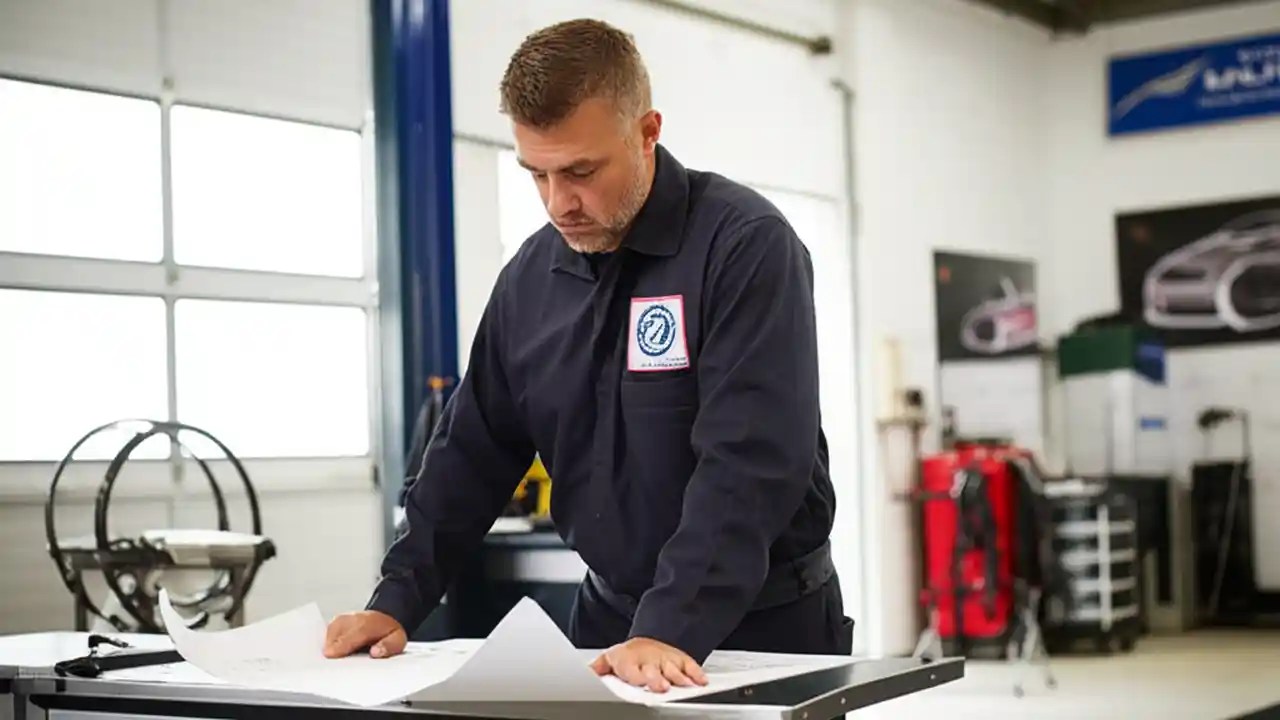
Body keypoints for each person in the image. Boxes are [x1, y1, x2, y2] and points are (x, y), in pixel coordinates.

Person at [324, 18, 852, 693]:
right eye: (536, 175)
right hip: (608, 628)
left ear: (647, 131)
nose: (558, 203)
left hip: (761, 630)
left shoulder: (743, 247)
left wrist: (671, 623)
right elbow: (469, 453)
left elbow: (748, 465)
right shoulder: (531, 279)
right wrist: (394, 598)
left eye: (580, 171)